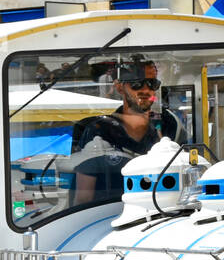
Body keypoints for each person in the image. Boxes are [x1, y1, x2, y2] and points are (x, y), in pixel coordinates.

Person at [72, 57, 179, 205]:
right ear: (120, 87)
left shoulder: (169, 124)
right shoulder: (99, 131)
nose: (146, 90)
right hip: (109, 214)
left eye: (152, 83)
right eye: (137, 83)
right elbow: (83, 199)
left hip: (163, 210)